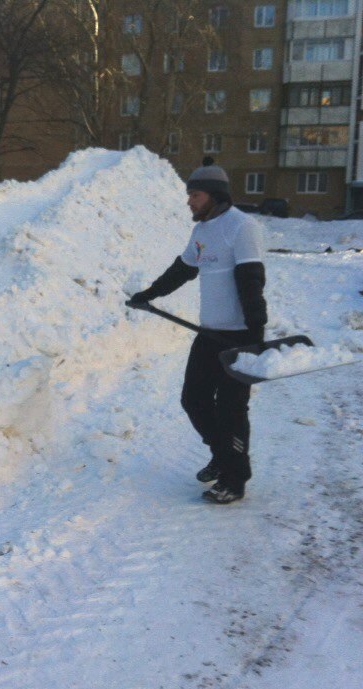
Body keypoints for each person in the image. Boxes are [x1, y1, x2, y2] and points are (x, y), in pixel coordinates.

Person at [126, 160, 267, 504]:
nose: (190, 201)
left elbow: (252, 281)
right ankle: (222, 454)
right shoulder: (202, 231)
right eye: (190, 194)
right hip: (208, 334)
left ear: (215, 195)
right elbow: (182, 270)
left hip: (239, 335)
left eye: (195, 194)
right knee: (194, 399)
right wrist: (149, 294)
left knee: (232, 409)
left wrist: (255, 334)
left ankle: (235, 478)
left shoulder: (242, 227)